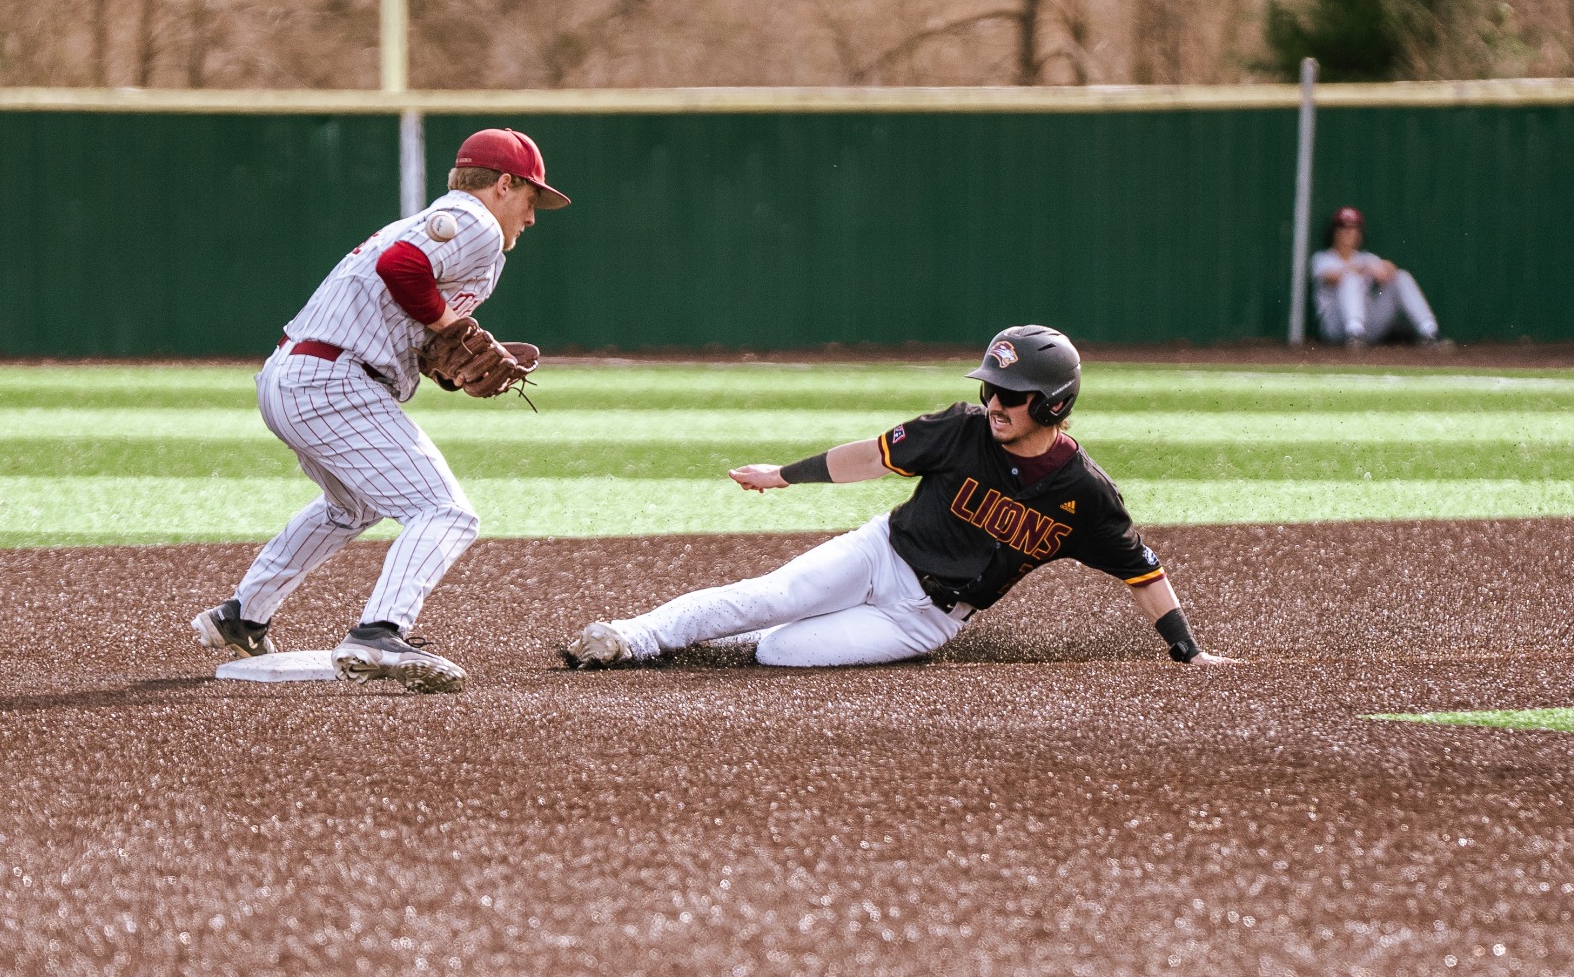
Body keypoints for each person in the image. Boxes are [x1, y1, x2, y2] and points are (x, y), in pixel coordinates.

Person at [561, 325, 1236, 670]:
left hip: (927, 621)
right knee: (771, 595)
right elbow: (870, 456)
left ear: (1054, 402)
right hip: (881, 553)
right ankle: (631, 637)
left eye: (1011, 392)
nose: (994, 400)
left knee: (780, 651)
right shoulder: (960, 429)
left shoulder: (1084, 494)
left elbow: (1142, 570)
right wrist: (782, 475)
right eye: (990, 387)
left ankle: (700, 640)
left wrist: (1187, 651)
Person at [192, 128, 569, 692]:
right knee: (445, 513)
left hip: (294, 375)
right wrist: (450, 327)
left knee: (352, 508)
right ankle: (379, 631)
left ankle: (243, 615)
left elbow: (400, 291)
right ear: (503, 185)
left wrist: (438, 356)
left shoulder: (439, 221)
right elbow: (401, 267)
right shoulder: (475, 221)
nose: (532, 217)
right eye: (530, 198)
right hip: (332, 382)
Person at [1310, 206, 1443, 348]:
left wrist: (1385, 268)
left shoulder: (1365, 257)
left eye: (1353, 228)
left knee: (1401, 277)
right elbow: (1331, 277)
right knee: (1350, 277)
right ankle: (1354, 334)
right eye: (1343, 227)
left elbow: (1390, 271)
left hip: (1368, 327)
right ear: (1334, 232)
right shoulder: (1323, 258)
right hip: (1336, 328)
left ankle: (1430, 331)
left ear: (1359, 233)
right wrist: (1366, 268)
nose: (1347, 232)